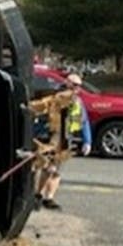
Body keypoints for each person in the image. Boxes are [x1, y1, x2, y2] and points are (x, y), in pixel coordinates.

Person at [35, 73, 92, 210]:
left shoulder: (77, 102)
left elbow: (83, 122)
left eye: (79, 85)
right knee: (48, 169)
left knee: (56, 171)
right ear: (67, 83)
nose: (77, 88)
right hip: (50, 137)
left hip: (66, 138)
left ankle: (49, 198)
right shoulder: (55, 97)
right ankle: (38, 194)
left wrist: (87, 141)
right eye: (75, 84)